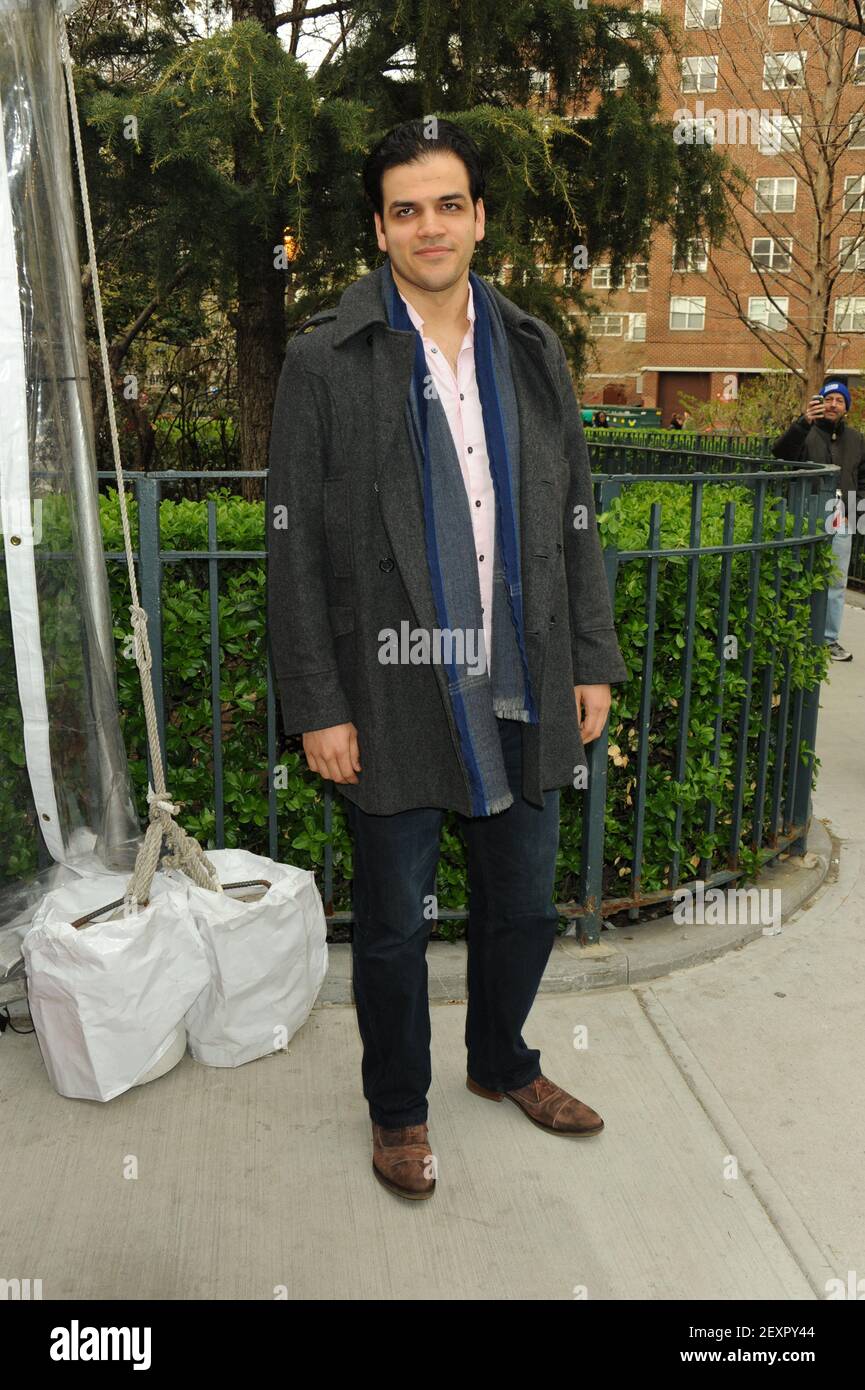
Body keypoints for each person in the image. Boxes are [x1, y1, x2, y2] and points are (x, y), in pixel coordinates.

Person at [266, 119, 628, 1202]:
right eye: (407, 208)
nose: (431, 226)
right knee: (391, 926)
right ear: (379, 228)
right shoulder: (326, 358)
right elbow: (291, 550)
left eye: (449, 204)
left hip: (522, 674)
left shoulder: (530, 349)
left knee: (520, 905)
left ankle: (500, 1062)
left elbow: (573, 518)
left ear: (478, 218)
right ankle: (399, 1110)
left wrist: (591, 657)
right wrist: (317, 704)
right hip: (389, 686)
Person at [772, 381, 865, 662]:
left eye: (839, 399)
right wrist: (801, 424)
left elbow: (862, 479)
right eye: (829, 398)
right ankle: (795, 636)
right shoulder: (806, 431)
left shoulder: (856, 439)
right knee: (801, 575)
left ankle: (828, 639)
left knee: (836, 580)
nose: (833, 404)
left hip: (842, 514)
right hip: (808, 511)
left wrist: (856, 512)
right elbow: (780, 454)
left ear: (846, 406)